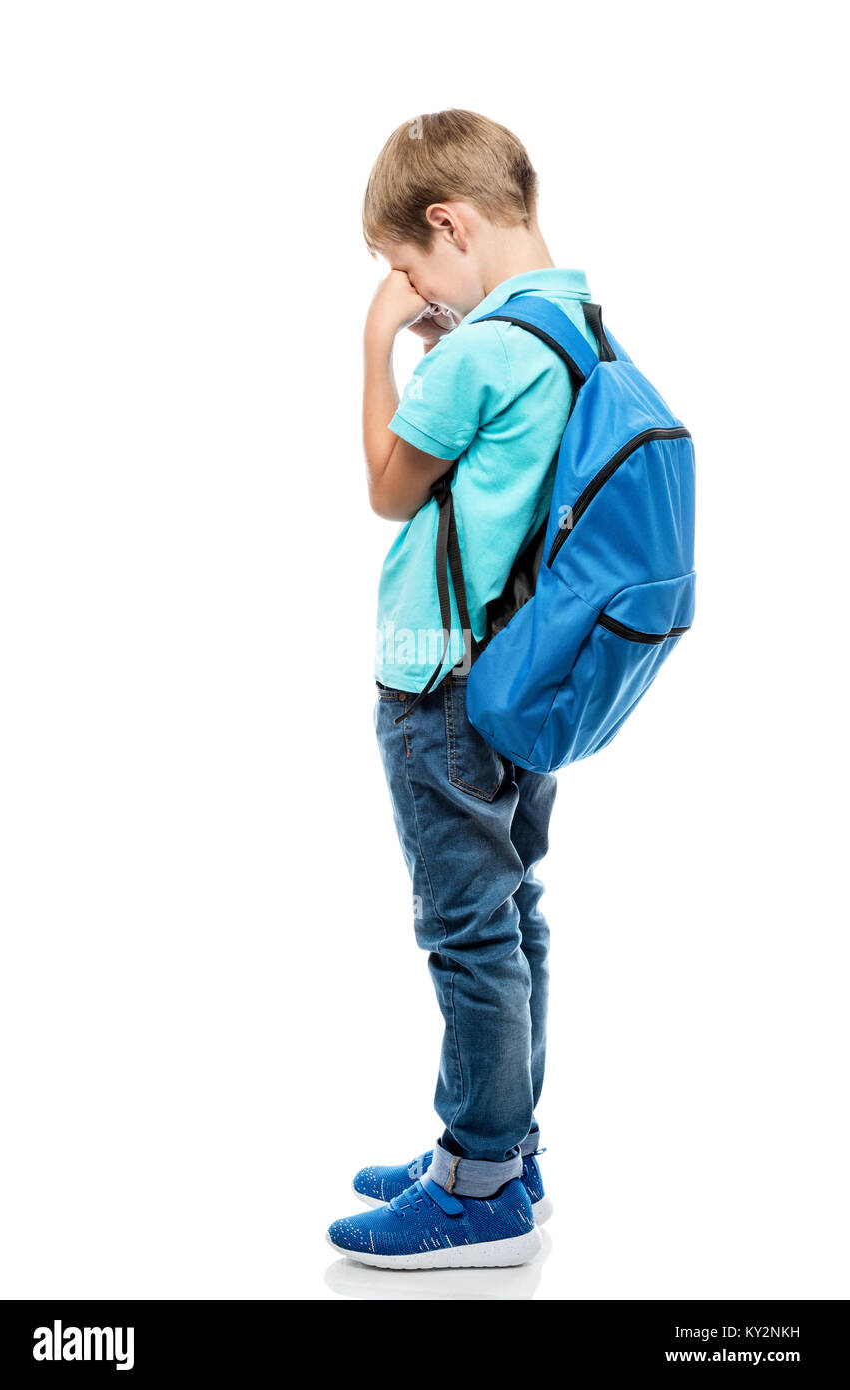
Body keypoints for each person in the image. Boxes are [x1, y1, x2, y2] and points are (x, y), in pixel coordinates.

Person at [327, 109, 600, 1270]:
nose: (401, 280)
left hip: (440, 677)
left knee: (468, 930)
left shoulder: (484, 349)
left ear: (448, 224)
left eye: (403, 261)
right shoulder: (570, 325)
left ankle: (480, 1182)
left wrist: (380, 339)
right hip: (520, 668)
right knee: (508, 914)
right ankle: (496, 1148)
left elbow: (393, 486)